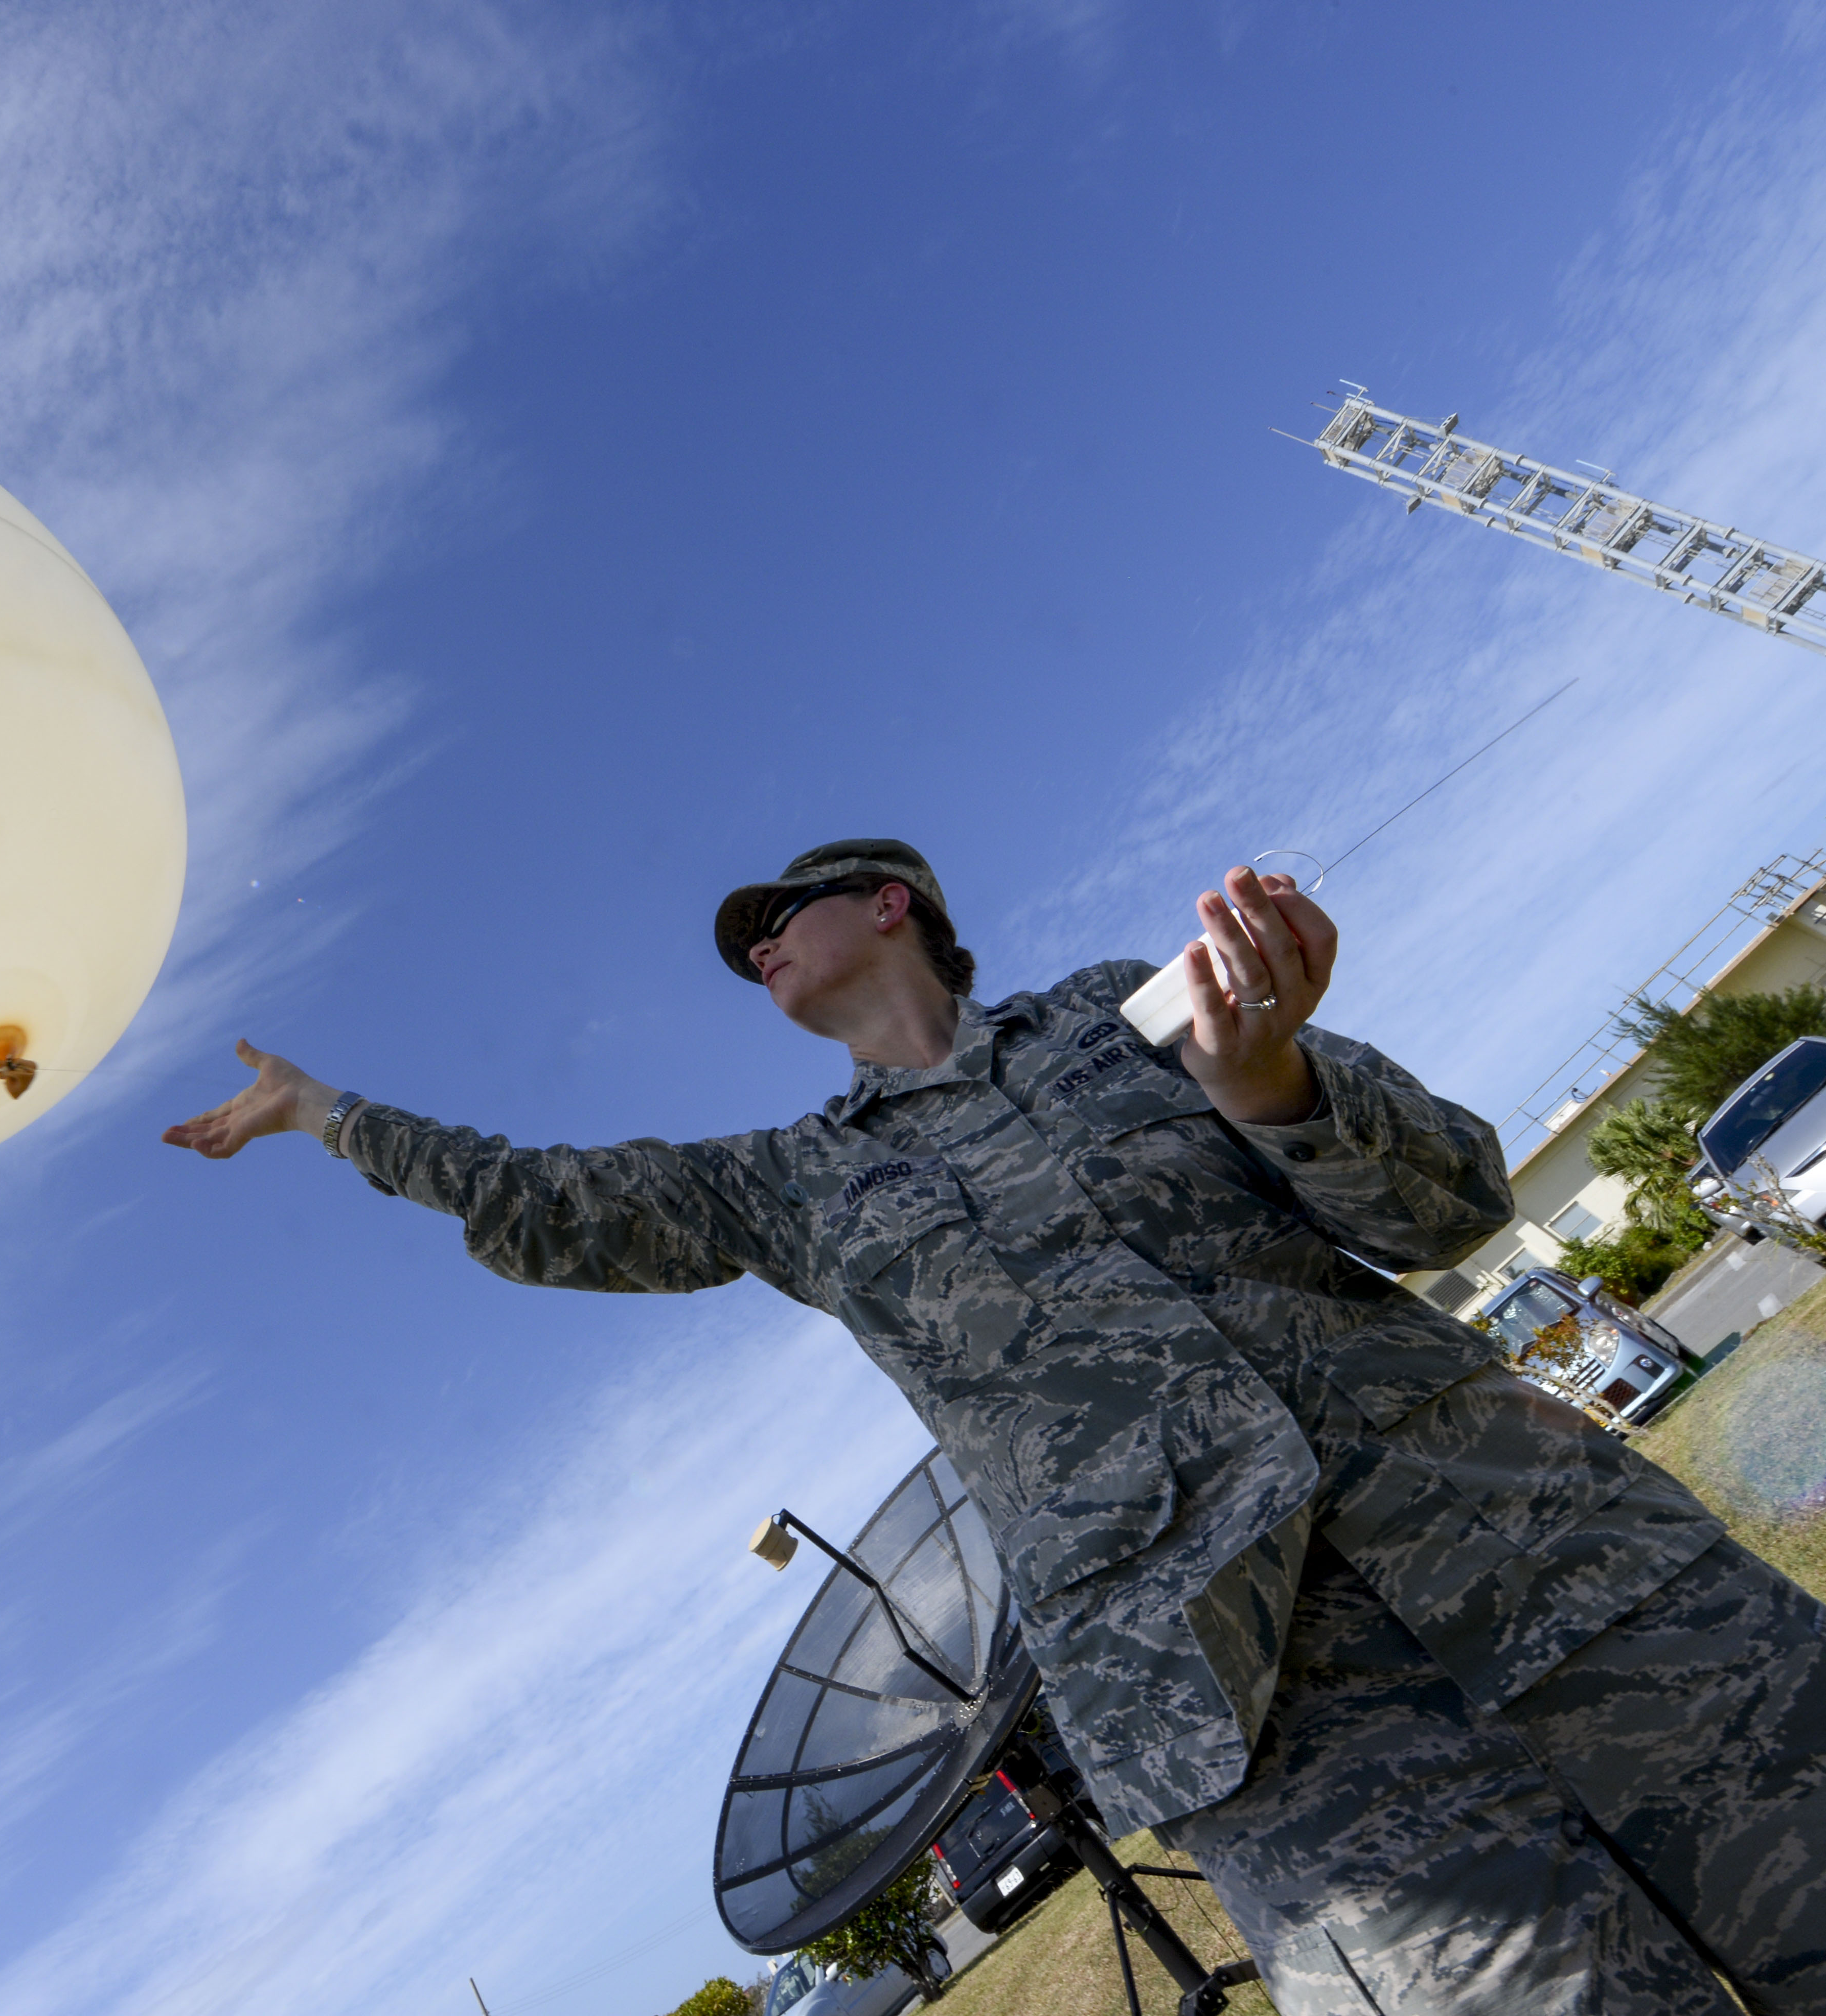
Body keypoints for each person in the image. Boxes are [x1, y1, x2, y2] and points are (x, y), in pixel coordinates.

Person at [164, 840, 1826, 2016]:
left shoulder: (1140, 1011)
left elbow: (1451, 1197)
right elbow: (554, 1204)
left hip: (1553, 1560)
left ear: (890, 905)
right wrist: (330, 1117)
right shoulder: (795, 1182)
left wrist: (1272, 1085)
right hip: (1276, 1728)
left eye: (777, 918)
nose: (754, 948)